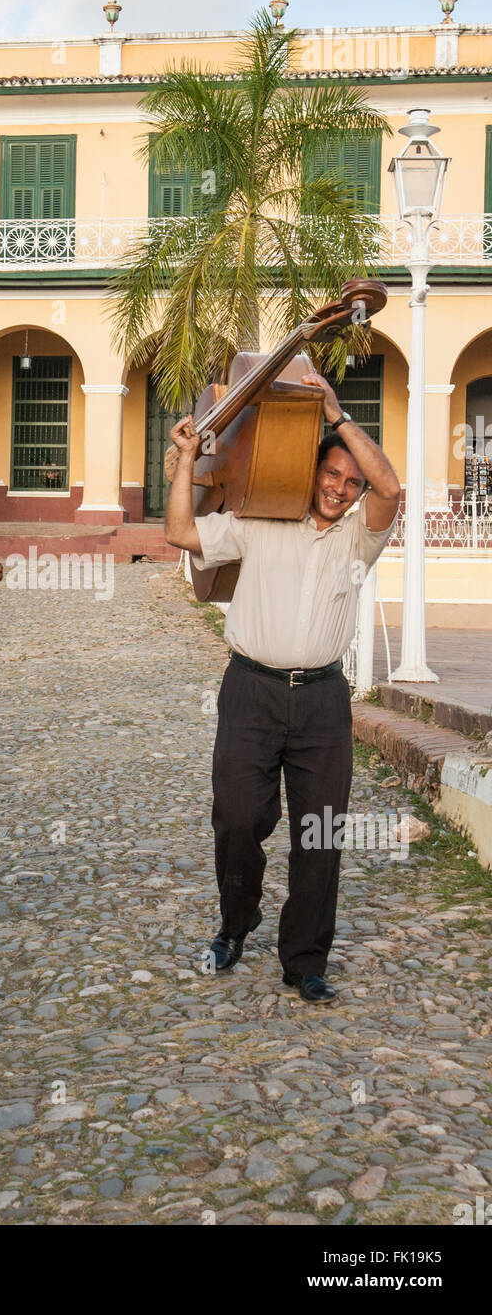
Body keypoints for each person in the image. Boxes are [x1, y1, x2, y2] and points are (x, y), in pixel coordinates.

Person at [165, 372, 401, 1004]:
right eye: (333, 474)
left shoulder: (361, 536)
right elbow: (182, 536)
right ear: (312, 470)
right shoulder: (259, 519)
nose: (342, 489)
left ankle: (304, 960)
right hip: (251, 689)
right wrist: (186, 462)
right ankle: (236, 923)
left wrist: (335, 411)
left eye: (352, 484)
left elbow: (392, 488)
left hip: (323, 699)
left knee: (320, 830)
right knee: (238, 819)